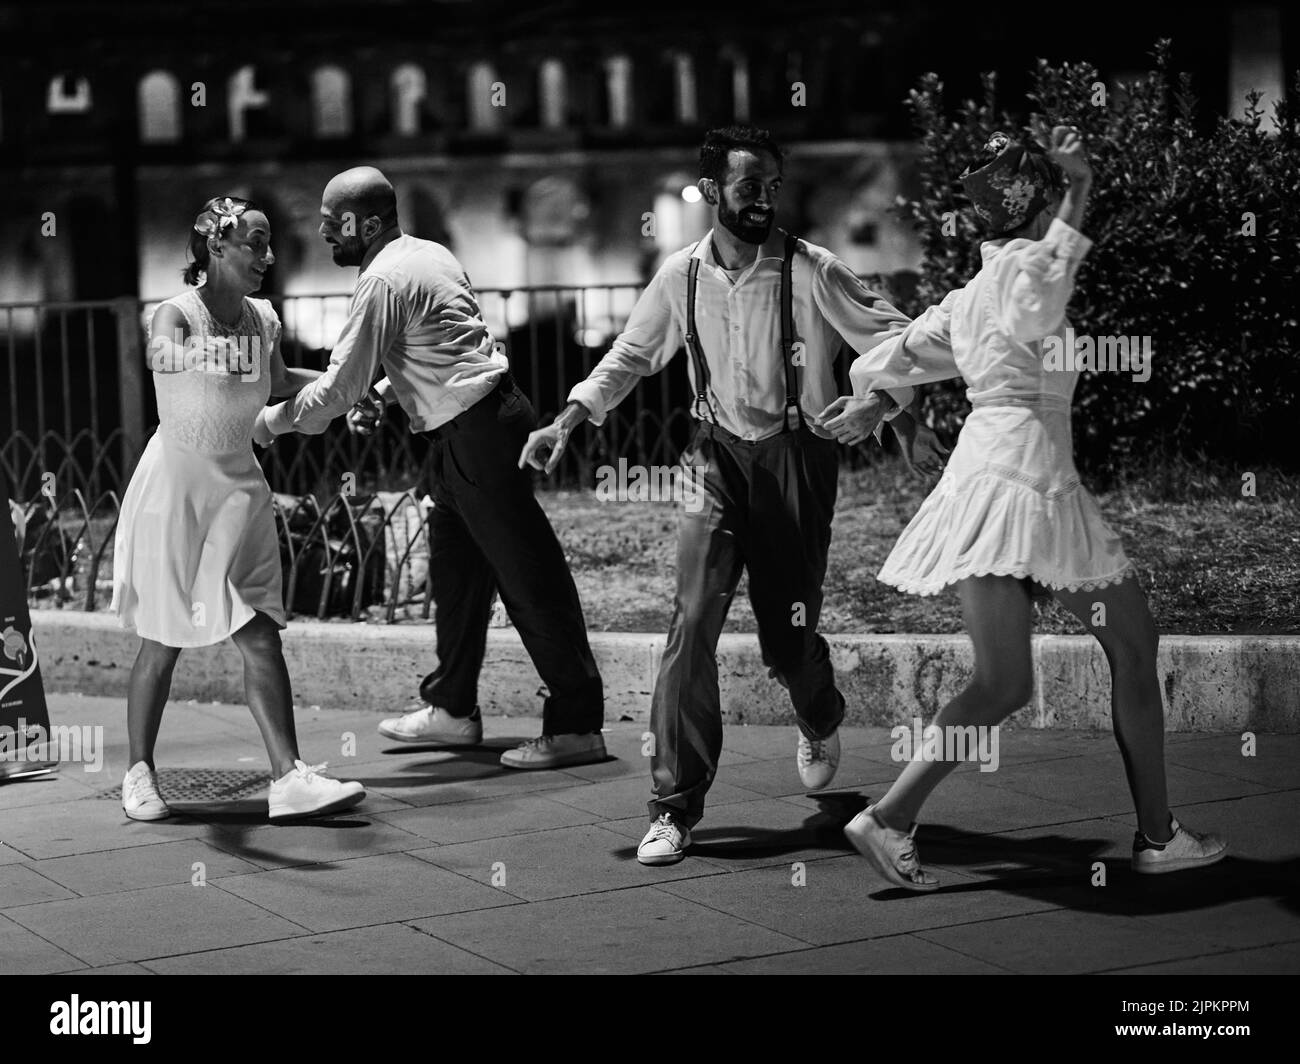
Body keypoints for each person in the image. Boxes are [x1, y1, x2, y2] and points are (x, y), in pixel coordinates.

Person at [520, 126, 950, 865]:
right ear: (713, 190)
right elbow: (632, 354)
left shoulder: (811, 269)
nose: (764, 200)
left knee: (788, 641)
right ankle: (674, 805)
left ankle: (820, 712)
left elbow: (899, 339)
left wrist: (889, 412)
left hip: (796, 459)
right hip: (711, 457)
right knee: (690, 626)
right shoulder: (682, 275)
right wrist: (569, 417)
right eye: (750, 187)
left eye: (773, 188)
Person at [837, 127, 1228, 889]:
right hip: (1034, 492)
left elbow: (882, 359)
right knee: (1133, 647)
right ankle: (1157, 837)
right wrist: (1083, 186)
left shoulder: (970, 293)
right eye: (1051, 195)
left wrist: (877, 407)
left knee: (1003, 683)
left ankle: (888, 818)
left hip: (983, 491)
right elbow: (1042, 294)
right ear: (1038, 204)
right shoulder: (1023, 275)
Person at [253, 168, 606, 770]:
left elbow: (339, 387)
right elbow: (444, 347)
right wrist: (388, 393)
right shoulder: (428, 255)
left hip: (476, 436)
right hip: (473, 426)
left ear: (364, 223)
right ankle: (452, 709)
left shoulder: (383, 281)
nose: (321, 230)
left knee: (529, 580)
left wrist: (271, 423)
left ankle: (576, 727)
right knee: (457, 574)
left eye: (332, 220)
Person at [112, 196, 366, 822]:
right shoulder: (178, 313)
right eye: (256, 242)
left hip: (239, 491)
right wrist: (203, 355)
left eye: (270, 242)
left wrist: (344, 388)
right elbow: (161, 355)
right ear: (217, 246)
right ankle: (138, 772)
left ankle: (288, 778)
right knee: (162, 640)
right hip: (177, 492)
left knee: (258, 632)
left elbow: (277, 379)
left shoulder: (262, 317)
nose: (268, 256)